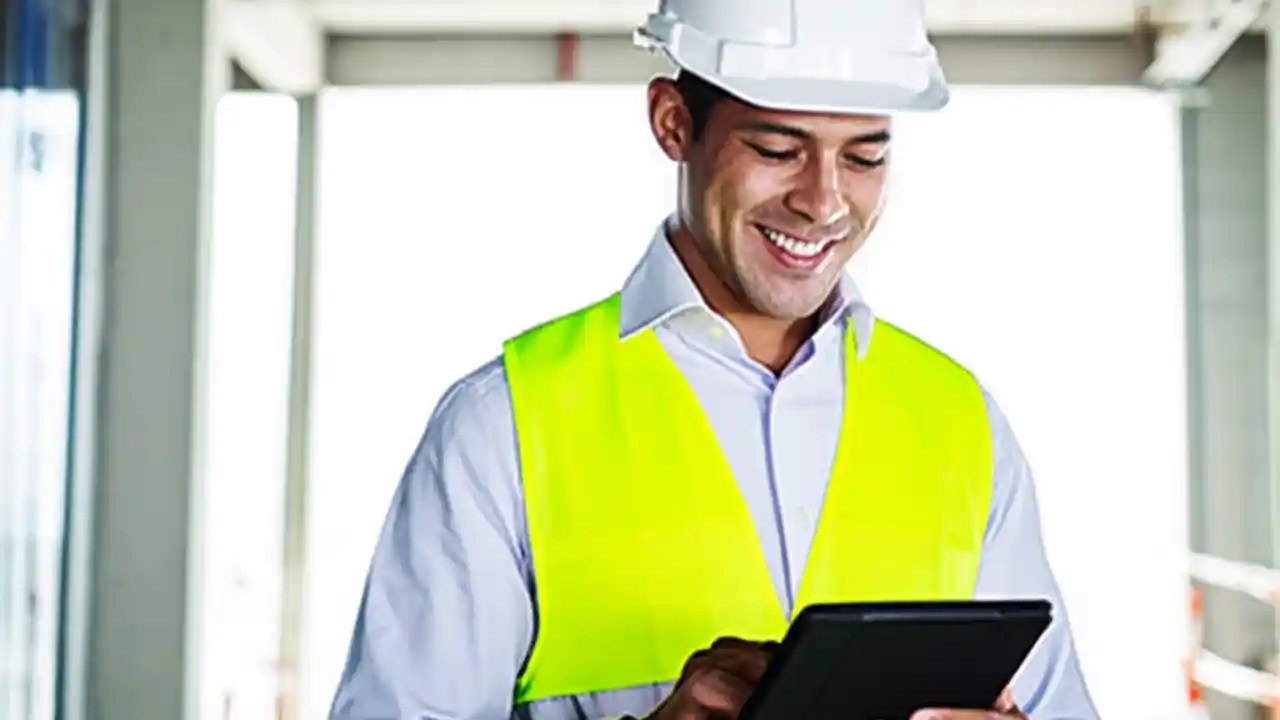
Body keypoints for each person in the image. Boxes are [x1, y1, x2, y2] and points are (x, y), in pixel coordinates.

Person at [329, 0, 1101, 718]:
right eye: (776, 148)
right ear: (673, 123)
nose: (824, 201)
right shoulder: (506, 425)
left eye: (865, 157)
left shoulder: (959, 420)